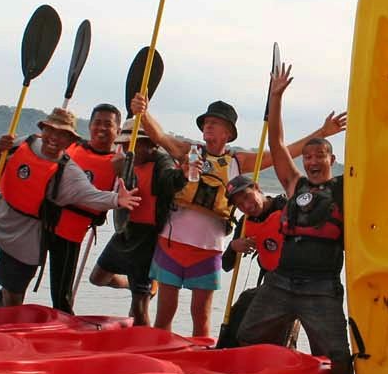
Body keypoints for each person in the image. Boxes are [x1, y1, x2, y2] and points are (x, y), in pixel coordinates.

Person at [127, 90, 345, 337]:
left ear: (227, 133)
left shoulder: (238, 161)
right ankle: (158, 357)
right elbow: (160, 136)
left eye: (214, 123)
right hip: (171, 242)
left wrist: (322, 133)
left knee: (201, 315)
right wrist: (142, 112)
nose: (208, 126)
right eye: (206, 123)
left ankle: (198, 363)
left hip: (208, 249)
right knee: (165, 312)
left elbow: (281, 153)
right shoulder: (189, 151)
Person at [235, 64, 352, 374]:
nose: (312, 161)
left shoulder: (343, 189)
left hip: (321, 287)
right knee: (247, 333)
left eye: (319, 156)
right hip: (281, 282)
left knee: (339, 356)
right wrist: (276, 97)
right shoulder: (294, 185)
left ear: (331, 160)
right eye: (308, 157)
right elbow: (277, 142)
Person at [0, 107, 138, 307]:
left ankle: (34, 323)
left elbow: (93, 195)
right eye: (51, 131)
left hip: (54, 230)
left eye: (108, 124)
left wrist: (118, 197)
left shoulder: (92, 166)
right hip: (15, 216)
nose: (55, 138)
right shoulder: (33, 144)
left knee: (46, 294)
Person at [88, 117, 182, 325]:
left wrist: (183, 174)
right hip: (126, 231)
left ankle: (141, 345)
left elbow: (173, 180)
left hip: (148, 238)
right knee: (97, 278)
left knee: (139, 308)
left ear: (151, 145)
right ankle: (135, 286)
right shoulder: (125, 161)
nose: (129, 149)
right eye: (124, 145)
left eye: (136, 145)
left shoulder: (161, 163)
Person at [43, 103, 123, 313]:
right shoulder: (71, 147)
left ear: (118, 131)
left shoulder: (118, 163)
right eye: (97, 123)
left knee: (61, 294)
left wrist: (122, 171)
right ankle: (3, 311)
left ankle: (63, 325)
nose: (102, 128)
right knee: (18, 276)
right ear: (90, 126)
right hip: (42, 222)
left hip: (72, 231)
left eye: (108, 124)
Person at [216, 173, 289, 348]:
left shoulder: (286, 207)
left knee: (279, 324)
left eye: (248, 197)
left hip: (298, 281)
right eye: (240, 205)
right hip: (271, 283)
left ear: (257, 187)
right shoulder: (245, 223)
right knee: (241, 307)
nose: (247, 206)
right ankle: (226, 352)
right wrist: (234, 246)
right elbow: (226, 265)